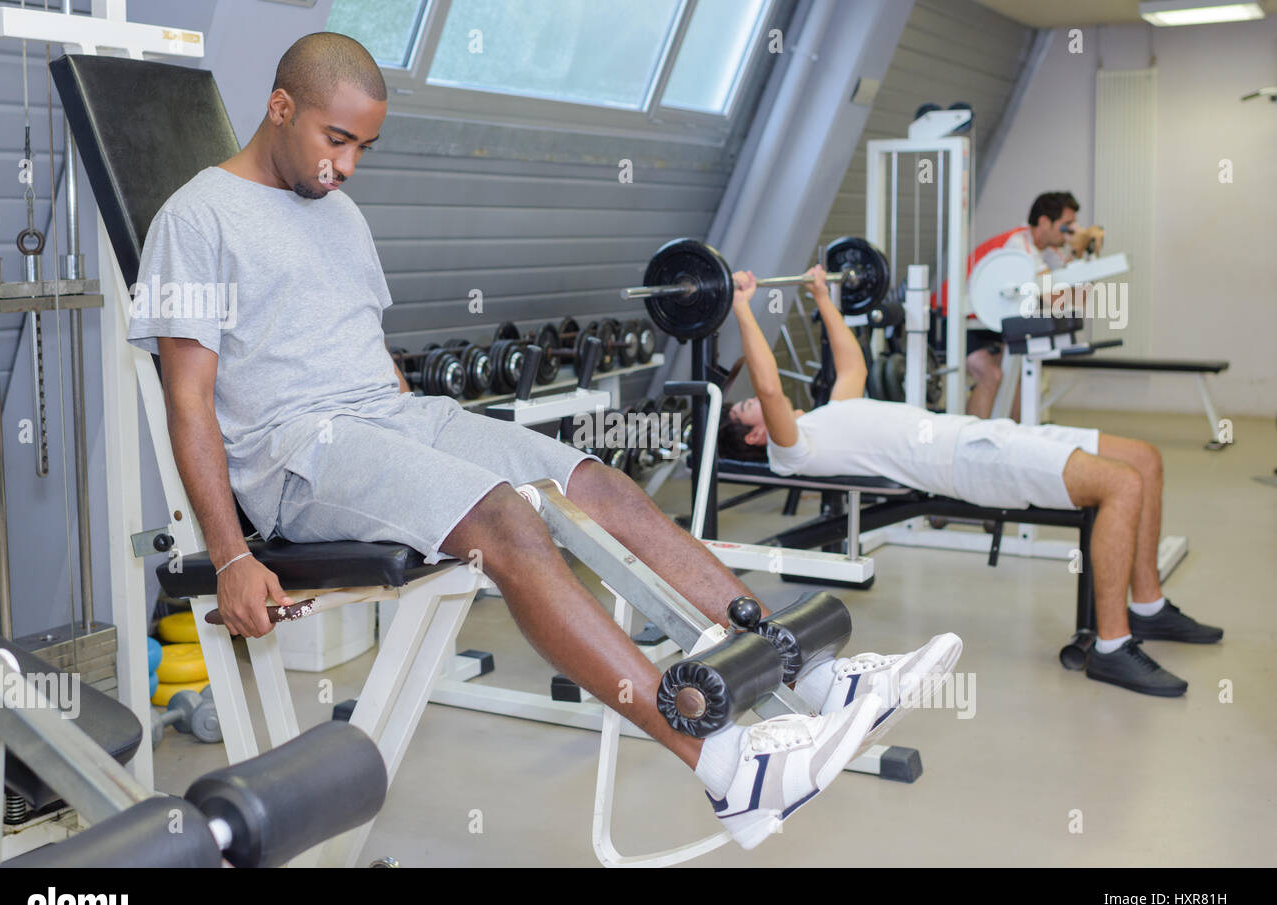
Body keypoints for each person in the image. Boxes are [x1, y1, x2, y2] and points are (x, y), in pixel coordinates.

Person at [124, 32, 961, 851]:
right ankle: (724, 764)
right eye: (335, 139)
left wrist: (432, 438)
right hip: (298, 454)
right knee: (507, 522)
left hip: (394, 420)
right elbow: (190, 403)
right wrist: (233, 558)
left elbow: (366, 352)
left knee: (594, 482)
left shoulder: (339, 213)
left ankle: (811, 670)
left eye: (363, 148)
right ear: (279, 107)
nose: (345, 165)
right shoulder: (198, 217)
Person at [719, 262, 1221, 698]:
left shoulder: (829, 415)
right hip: (967, 462)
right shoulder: (793, 450)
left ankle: (1149, 606)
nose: (759, 401)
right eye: (749, 409)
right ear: (758, 434)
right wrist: (742, 306)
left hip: (982, 434)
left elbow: (851, 363)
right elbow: (768, 385)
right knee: (1122, 484)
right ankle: (1112, 645)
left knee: (1145, 458)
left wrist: (824, 298)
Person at [954, 191, 1104, 419]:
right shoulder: (1019, 245)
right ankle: (971, 445)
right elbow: (1056, 299)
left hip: (991, 323)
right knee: (991, 374)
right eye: (1066, 226)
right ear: (1044, 222)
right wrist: (1076, 250)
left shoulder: (1048, 252)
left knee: (1019, 371)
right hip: (956, 318)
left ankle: (1012, 439)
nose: (1070, 233)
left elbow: (1077, 300)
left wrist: (1084, 253)